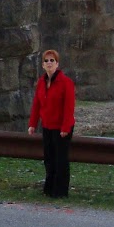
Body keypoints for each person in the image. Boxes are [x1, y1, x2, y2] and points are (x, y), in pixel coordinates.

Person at [27, 48, 76, 198]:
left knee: (60, 160)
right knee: (49, 158)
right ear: (42, 65)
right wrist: (33, 124)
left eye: (52, 61)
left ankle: (60, 192)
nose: (49, 63)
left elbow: (69, 107)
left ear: (57, 64)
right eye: (46, 61)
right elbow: (37, 104)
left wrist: (65, 127)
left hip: (62, 127)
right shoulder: (41, 82)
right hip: (47, 126)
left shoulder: (66, 83)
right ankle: (49, 189)